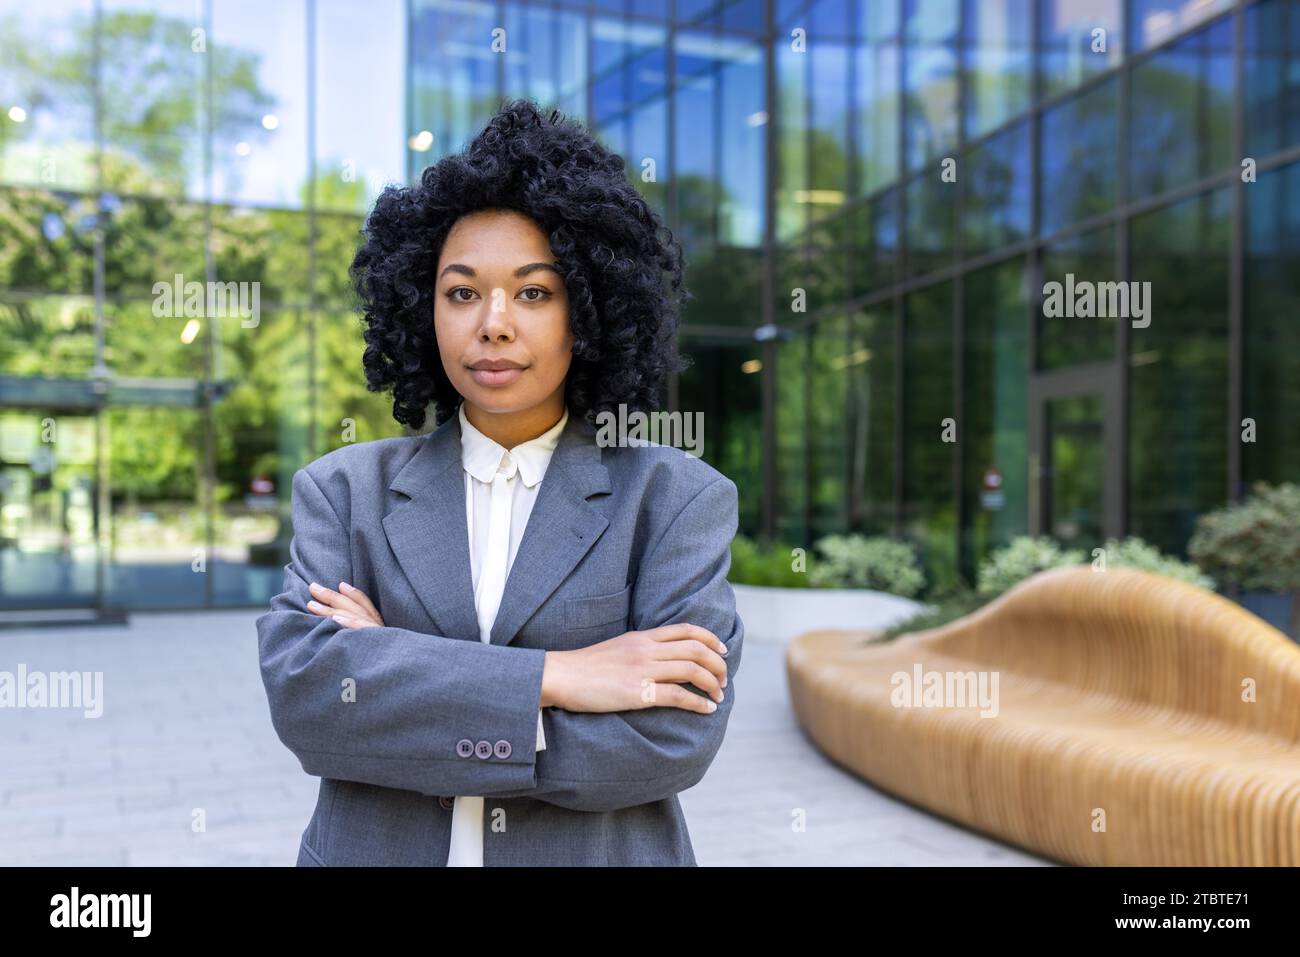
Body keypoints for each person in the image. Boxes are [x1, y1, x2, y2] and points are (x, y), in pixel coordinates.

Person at [255, 98, 743, 866]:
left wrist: (397, 674)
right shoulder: (342, 491)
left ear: (586, 312)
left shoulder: (675, 500)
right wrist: (568, 676)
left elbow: (667, 740)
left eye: (534, 292)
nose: (494, 322)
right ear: (423, 309)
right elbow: (313, 701)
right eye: (461, 291)